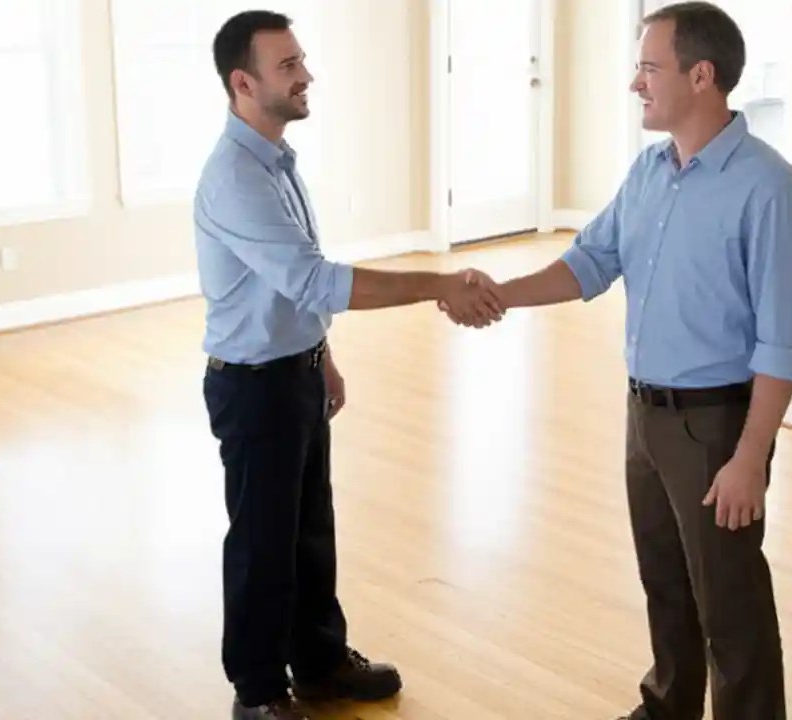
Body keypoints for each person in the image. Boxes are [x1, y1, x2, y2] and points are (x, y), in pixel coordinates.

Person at [442, 3, 792, 718]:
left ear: (701, 76)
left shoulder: (771, 190)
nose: (635, 83)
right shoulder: (649, 171)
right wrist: (498, 295)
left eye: (649, 67)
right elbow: (590, 262)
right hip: (644, 413)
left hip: (715, 427)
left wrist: (749, 458)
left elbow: (785, 342)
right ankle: (669, 707)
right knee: (665, 582)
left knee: (730, 603)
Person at [195, 10, 502, 720]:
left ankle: (320, 662)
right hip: (253, 388)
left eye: (301, 60)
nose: (306, 75)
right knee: (263, 543)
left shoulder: (277, 162)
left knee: (310, 530)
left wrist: (320, 357)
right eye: (288, 66)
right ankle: (258, 694)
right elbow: (315, 281)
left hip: (293, 372)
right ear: (243, 83)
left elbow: (292, 288)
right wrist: (439, 283)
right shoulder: (236, 178)